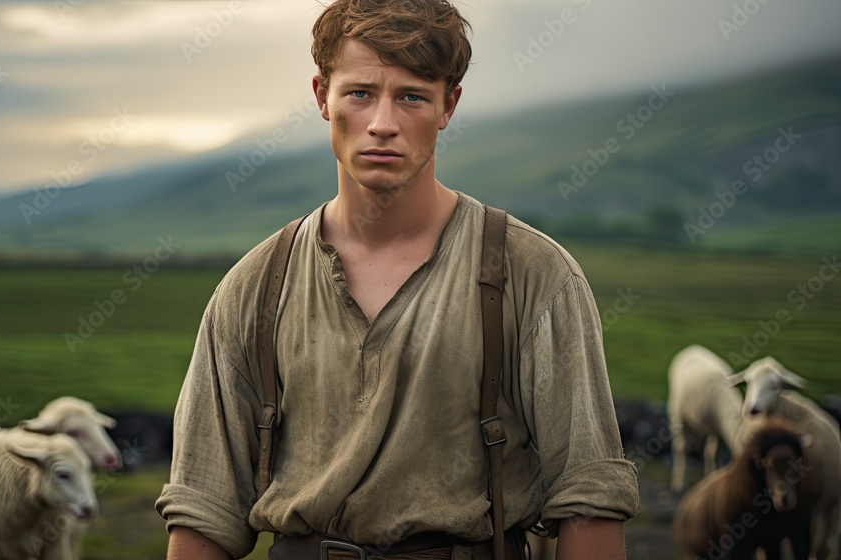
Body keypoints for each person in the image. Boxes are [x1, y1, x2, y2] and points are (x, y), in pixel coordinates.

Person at [156, 1, 639, 558]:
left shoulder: (533, 274)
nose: (382, 123)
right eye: (360, 93)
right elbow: (201, 514)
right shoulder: (254, 288)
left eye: (411, 96)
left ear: (447, 106)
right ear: (322, 97)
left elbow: (589, 500)